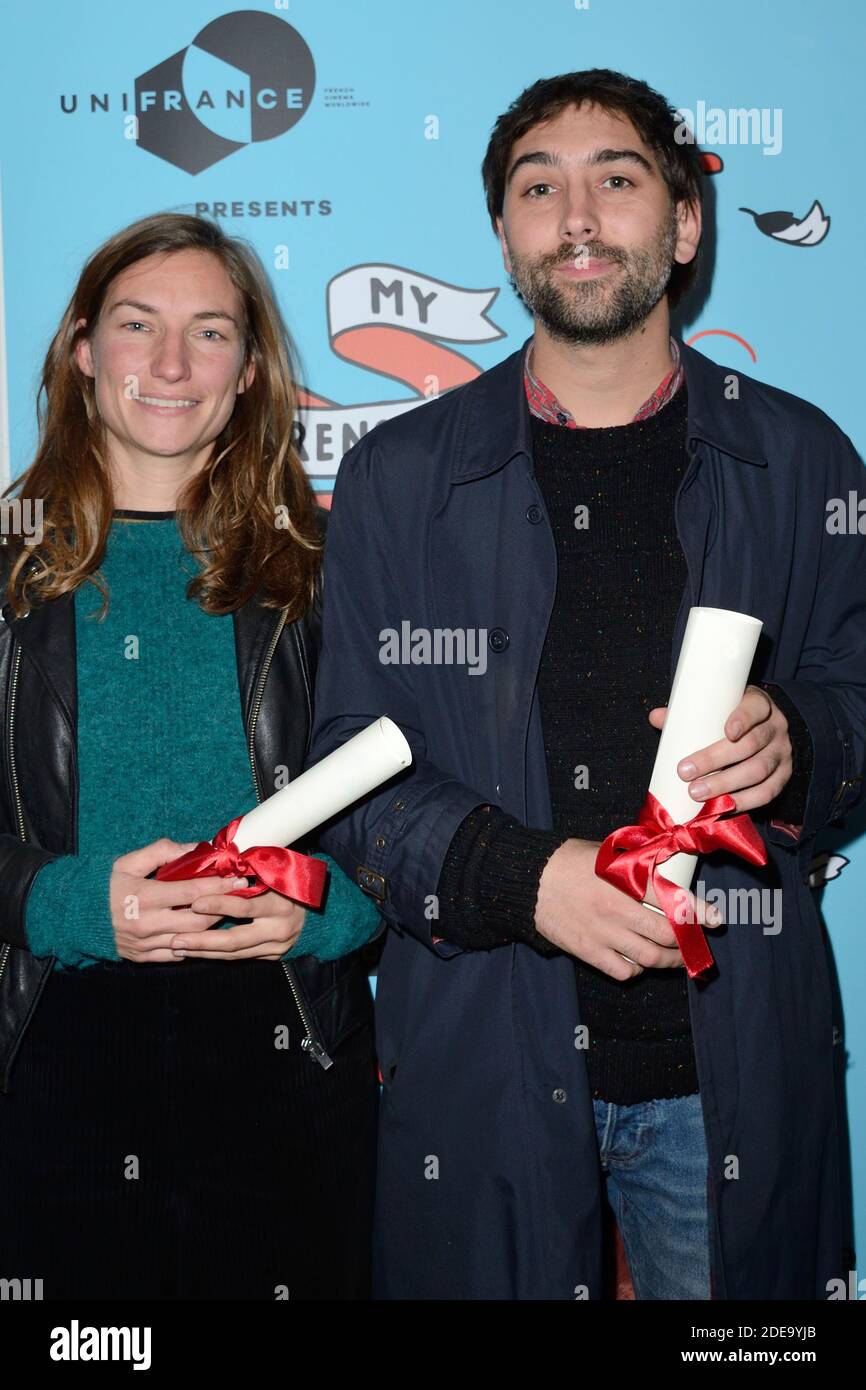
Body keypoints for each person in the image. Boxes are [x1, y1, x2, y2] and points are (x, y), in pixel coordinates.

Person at [306, 69, 866, 1300]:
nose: (574, 216)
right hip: (484, 1071)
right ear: (503, 232)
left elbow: (857, 698)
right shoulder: (400, 478)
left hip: (723, 1079)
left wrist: (803, 740)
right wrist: (527, 877)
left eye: (615, 180)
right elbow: (346, 759)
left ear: (680, 223)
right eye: (535, 187)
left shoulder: (800, 457)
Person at [0, 212, 383, 1300]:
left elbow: (410, 809)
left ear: (250, 369)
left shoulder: (332, 569)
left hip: (286, 1040)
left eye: (209, 332)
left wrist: (336, 912)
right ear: (82, 349)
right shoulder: (4, 569)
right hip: (49, 1044)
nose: (171, 364)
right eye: (136, 325)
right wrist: (65, 902)